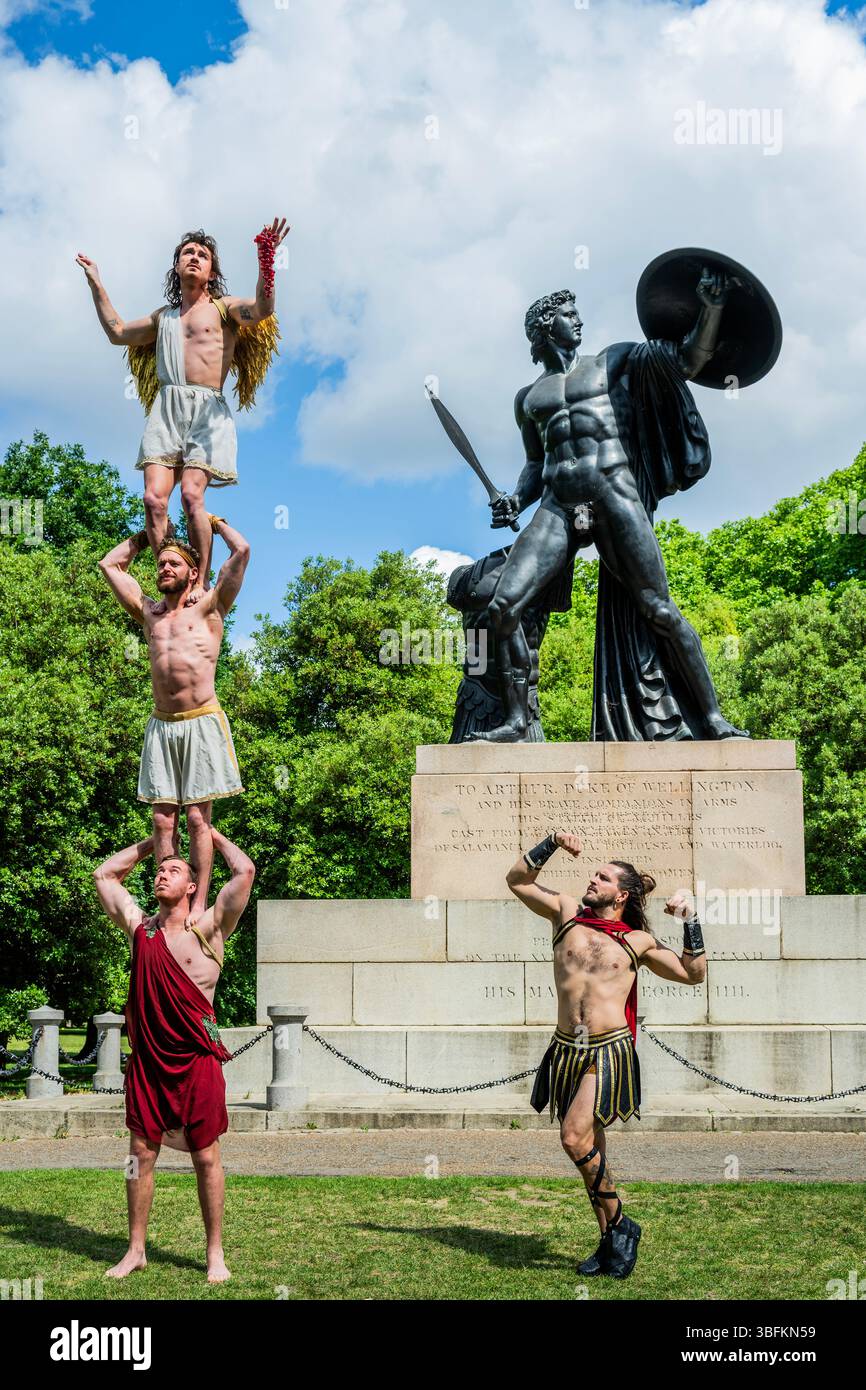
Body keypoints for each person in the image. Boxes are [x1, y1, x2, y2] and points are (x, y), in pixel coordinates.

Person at [477, 274, 749, 741]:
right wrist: (514, 499)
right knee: (503, 607)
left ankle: (713, 716)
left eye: (577, 313)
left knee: (657, 608)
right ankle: (517, 721)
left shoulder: (612, 361)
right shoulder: (528, 399)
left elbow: (688, 359)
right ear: (545, 327)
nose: (578, 320)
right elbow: (534, 464)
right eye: (567, 315)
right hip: (559, 504)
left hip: (613, 492)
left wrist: (712, 309)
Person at [507, 829, 707, 1278]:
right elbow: (518, 880)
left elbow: (693, 974)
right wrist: (552, 842)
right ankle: (610, 1243)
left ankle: (620, 1223)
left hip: (608, 1050)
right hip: (566, 1049)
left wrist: (691, 918)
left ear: (623, 894)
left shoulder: (636, 941)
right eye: (594, 874)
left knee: (574, 1139)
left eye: (603, 877)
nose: (592, 879)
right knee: (591, 1148)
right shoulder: (565, 915)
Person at [76, 219, 287, 587]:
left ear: (211, 271)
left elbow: (263, 308)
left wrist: (266, 260)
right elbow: (118, 333)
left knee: (191, 496)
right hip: (167, 407)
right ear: (176, 266)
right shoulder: (163, 318)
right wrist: (96, 282)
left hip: (207, 410)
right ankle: (172, 578)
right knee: (153, 501)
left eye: (202, 255)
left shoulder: (225, 309)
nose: (194, 257)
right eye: (188, 252)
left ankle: (200, 582)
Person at [93, 827, 255, 1283]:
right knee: (138, 1154)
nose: (162, 874)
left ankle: (215, 1253)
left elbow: (244, 871)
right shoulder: (140, 929)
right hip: (147, 1065)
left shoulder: (209, 928)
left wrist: (210, 832)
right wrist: (156, 843)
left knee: (205, 1157)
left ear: (191, 885)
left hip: (196, 1062)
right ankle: (136, 1249)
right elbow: (105, 874)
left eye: (173, 870)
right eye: (160, 871)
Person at [98, 517, 250, 917]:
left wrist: (215, 524)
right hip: (162, 725)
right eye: (161, 563)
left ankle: (197, 904)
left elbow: (242, 553)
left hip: (202, 720)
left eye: (174, 563)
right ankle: (168, 907)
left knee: (199, 819)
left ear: (192, 572)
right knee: (164, 821)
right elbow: (110, 566)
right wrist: (147, 539)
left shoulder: (210, 608)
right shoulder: (150, 613)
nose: (165, 568)